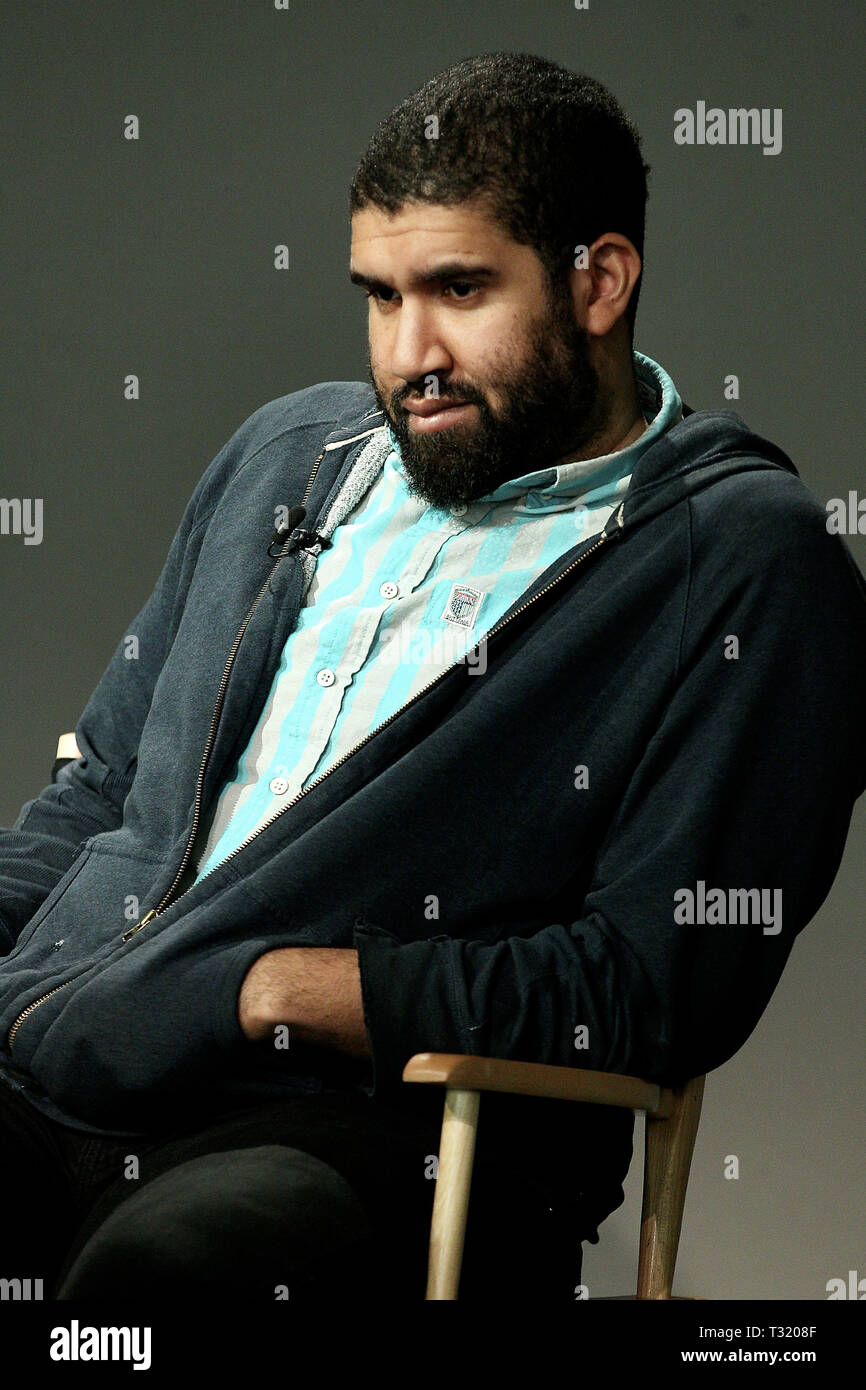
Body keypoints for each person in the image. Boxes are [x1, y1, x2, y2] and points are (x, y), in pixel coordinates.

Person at [1, 51, 865, 1304]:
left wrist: (270, 991)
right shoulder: (287, 454)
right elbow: (105, 796)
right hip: (63, 1055)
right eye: (380, 295)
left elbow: (650, 986)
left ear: (598, 280)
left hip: (379, 1134)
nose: (411, 354)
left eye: (459, 289)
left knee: (175, 1282)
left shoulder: (742, 564)